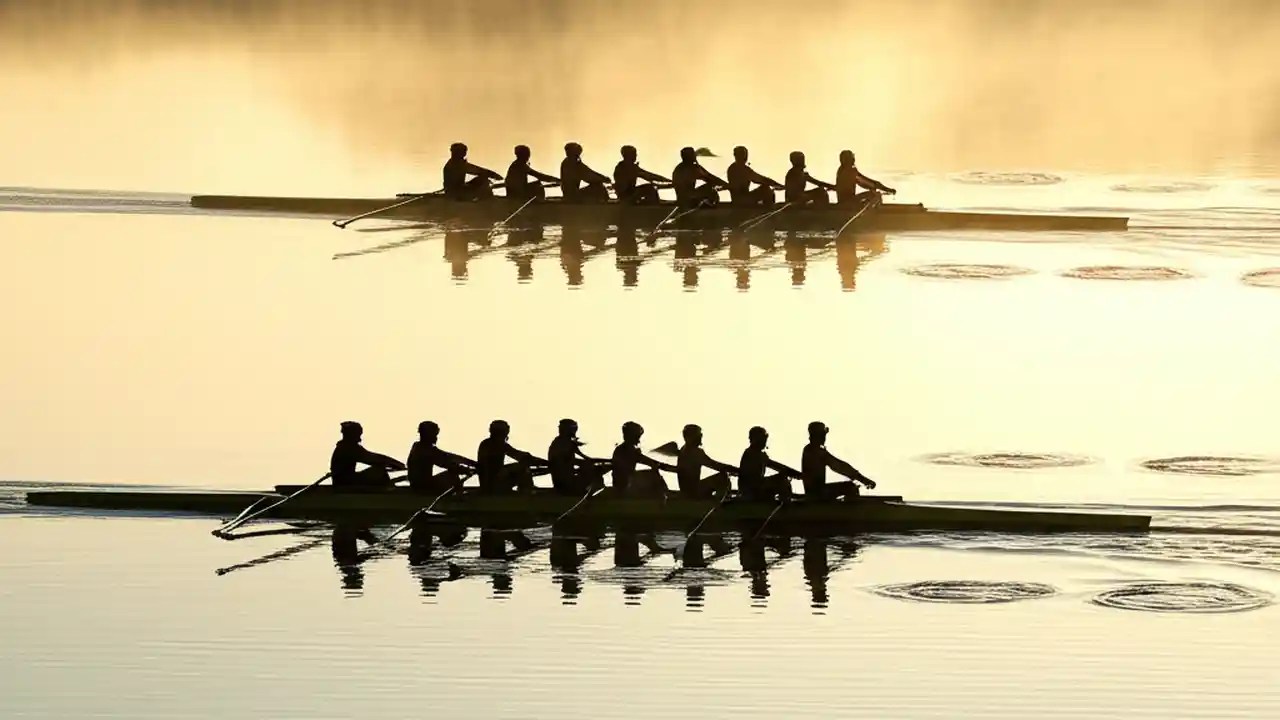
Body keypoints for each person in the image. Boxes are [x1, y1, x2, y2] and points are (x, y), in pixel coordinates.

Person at [801, 421, 876, 501]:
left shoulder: (810, 449)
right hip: (817, 494)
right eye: (823, 435)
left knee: (849, 487)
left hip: (815, 492)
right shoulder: (816, 451)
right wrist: (863, 479)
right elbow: (840, 466)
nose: (824, 437)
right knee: (851, 487)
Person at [329, 421, 406, 489]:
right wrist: (396, 464)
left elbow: (374, 457)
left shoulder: (346, 447)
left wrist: (395, 464)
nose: (360, 438)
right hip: (345, 484)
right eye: (358, 434)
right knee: (378, 471)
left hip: (345, 481)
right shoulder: (348, 448)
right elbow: (373, 459)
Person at [406, 421, 477, 495]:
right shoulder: (426, 451)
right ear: (428, 435)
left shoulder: (418, 446)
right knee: (452, 476)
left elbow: (449, 457)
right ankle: (460, 499)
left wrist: (472, 463)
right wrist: (467, 470)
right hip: (422, 488)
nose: (436, 437)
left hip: (418, 486)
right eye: (434, 434)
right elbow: (448, 463)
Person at [610, 421, 676, 497]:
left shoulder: (622, 448)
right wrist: (672, 468)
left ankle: (662, 493)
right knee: (653, 473)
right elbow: (651, 463)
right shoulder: (629, 450)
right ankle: (665, 495)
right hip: (625, 484)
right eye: (637, 436)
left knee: (650, 472)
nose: (639, 439)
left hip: (622, 482)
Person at [476, 420, 541, 494]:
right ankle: (527, 492)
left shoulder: (489, 444)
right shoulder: (494, 444)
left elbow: (518, 454)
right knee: (522, 468)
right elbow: (517, 455)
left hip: (492, 482)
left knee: (520, 466)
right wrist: (533, 460)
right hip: (493, 484)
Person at [546, 419, 607, 496]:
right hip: (565, 484)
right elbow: (576, 461)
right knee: (595, 474)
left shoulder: (562, 442)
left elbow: (586, 459)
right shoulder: (563, 444)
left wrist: (609, 461)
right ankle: (589, 498)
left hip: (563, 481)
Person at [738, 426, 798, 503]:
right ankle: (785, 508)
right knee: (783, 481)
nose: (765, 441)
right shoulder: (753, 454)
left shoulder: (755, 453)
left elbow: (777, 466)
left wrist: (793, 473)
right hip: (752, 491)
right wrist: (794, 474)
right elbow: (776, 466)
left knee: (781, 478)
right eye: (763, 438)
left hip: (754, 488)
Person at [675, 424, 736, 499]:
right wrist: (737, 470)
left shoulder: (683, 450)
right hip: (693, 492)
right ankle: (721, 503)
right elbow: (715, 465)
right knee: (723, 477)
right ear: (690, 437)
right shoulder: (695, 452)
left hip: (688, 490)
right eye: (699, 435)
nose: (701, 437)